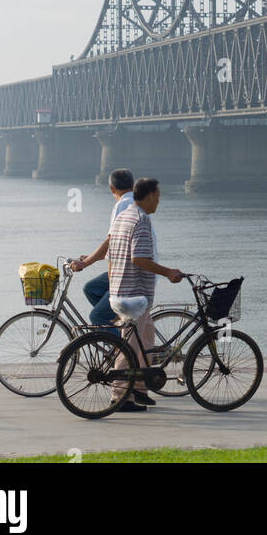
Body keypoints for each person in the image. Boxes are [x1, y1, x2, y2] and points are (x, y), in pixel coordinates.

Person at [106, 177, 182, 411]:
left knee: (145, 342)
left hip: (121, 292)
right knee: (131, 348)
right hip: (134, 297)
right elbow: (138, 259)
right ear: (148, 195)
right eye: (157, 196)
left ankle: (138, 389)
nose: (158, 201)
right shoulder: (141, 220)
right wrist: (168, 272)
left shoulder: (123, 216)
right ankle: (120, 396)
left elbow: (110, 250)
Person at [71, 168, 136, 328]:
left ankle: (122, 349)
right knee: (91, 288)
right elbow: (118, 245)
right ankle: (120, 325)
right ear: (133, 185)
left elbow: (111, 240)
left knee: (97, 316)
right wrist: (93, 256)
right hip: (127, 268)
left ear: (111, 189)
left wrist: (85, 264)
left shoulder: (123, 205)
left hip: (128, 274)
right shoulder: (133, 201)